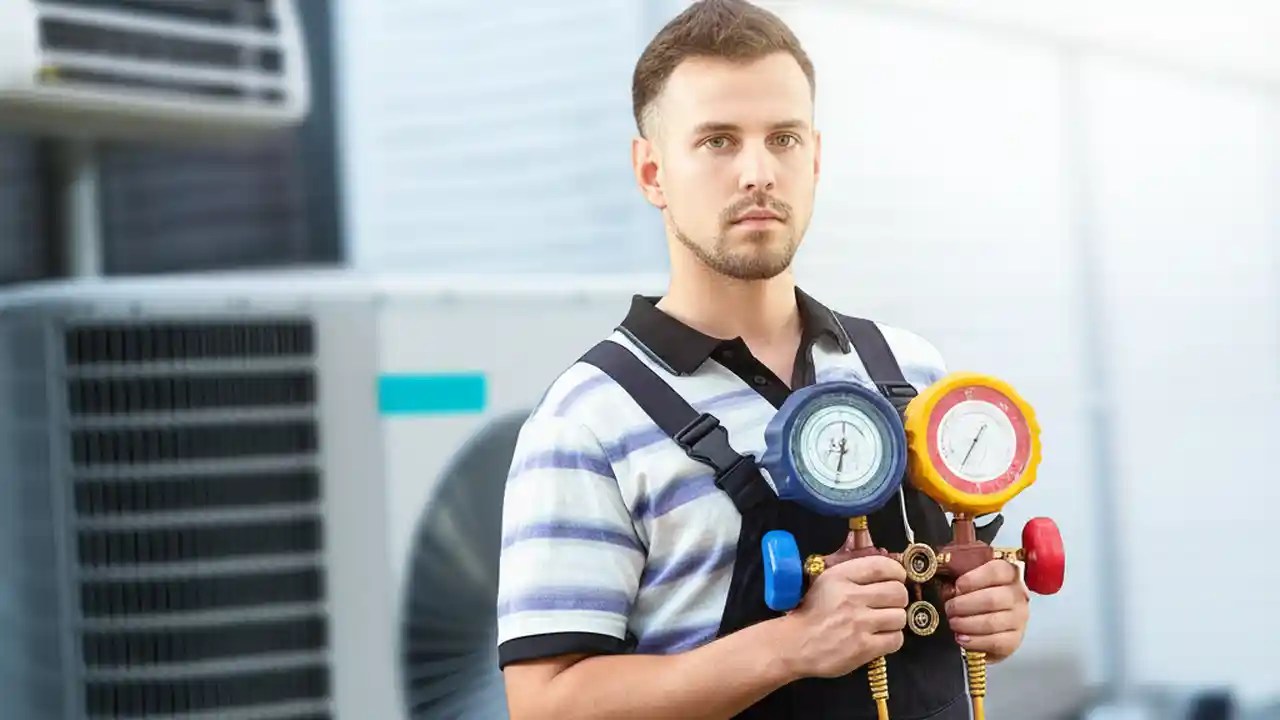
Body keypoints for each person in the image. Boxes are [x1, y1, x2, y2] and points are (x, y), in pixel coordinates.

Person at [495, 1, 1032, 718]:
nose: (759, 172)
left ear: (816, 156)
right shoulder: (588, 420)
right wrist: (792, 646)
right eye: (718, 141)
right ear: (651, 171)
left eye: (782, 138)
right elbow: (546, 703)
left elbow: (979, 583)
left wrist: (1000, 611)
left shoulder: (909, 370)